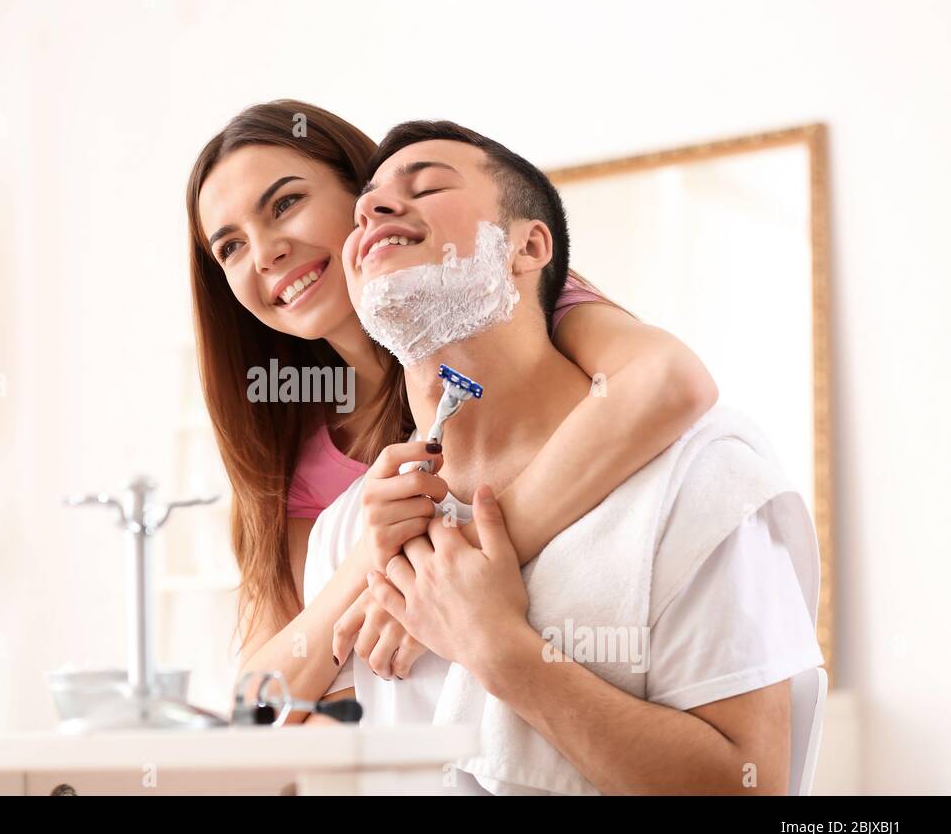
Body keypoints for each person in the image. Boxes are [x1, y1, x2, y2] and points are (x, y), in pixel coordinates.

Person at [302, 119, 824, 794]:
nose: (371, 209)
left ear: (528, 246)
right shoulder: (350, 531)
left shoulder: (699, 479)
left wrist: (504, 654)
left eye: (427, 185)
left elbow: (747, 788)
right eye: (362, 204)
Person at [188, 100, 718, 709]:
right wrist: (373, 562)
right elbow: (261, 701)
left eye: (286, 204)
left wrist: (448, 567)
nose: (264, 254)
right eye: (228, 248)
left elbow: (670, 380)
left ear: (367, 194)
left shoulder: (505, 297)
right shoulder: (295, 437)